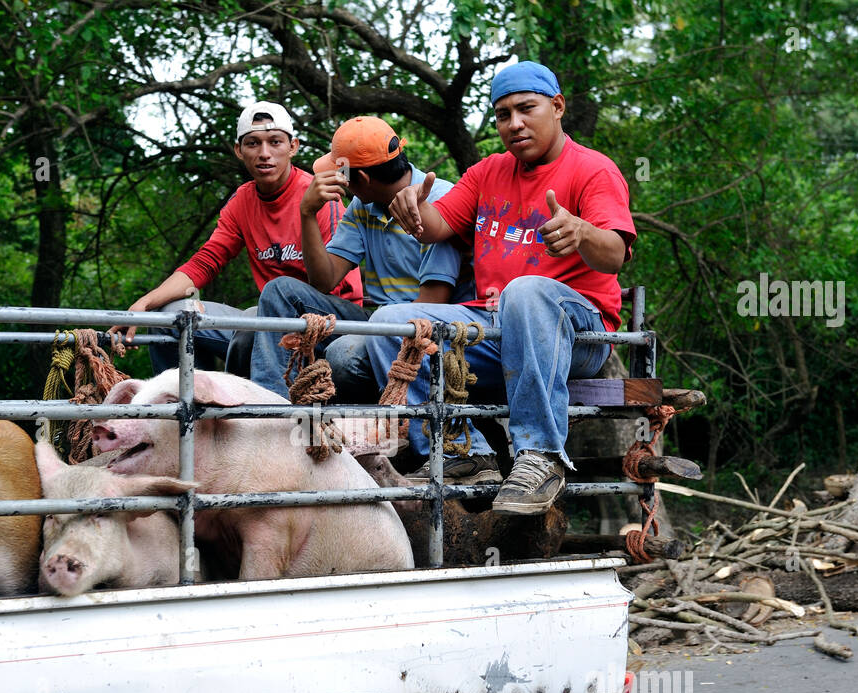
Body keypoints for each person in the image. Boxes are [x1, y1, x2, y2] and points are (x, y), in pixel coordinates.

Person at [372, 61, 636, 514]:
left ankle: (540, 456)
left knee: (527, 290)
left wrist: (582, 233)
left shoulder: (594, 170)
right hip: (495, 329)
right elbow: (436, 225)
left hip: (579, 336)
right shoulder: (487, 172)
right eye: (502, 114)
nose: (513, 123)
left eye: (526, 109)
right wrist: (412, 210)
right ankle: (464, 453)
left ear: (557, 107)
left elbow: (616, 252)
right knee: (391, 322)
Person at [115, 102, 362, 373]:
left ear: (293, 147)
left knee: (256, 321)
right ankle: (186, 408)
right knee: (169, 315)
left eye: (275, 142)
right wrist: (144, 304)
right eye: (253, 143)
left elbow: (333, 285)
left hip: (330, 323)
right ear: (239, 151)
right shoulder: (242, 201)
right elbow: (205, 262)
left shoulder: (320, 196)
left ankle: (261, 408)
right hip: (266, 322)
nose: (264, 154)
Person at [247, 116, 473, 400]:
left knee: (344, 355)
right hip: (378, 319)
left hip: (429, 329)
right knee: (281, 291)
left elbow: (431, 305)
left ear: (362, 180)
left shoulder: (438, 201)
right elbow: (323, 281)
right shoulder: (362, 205)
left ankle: (381, 417)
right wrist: (307, 213)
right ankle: (272, 408)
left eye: (341, 172)